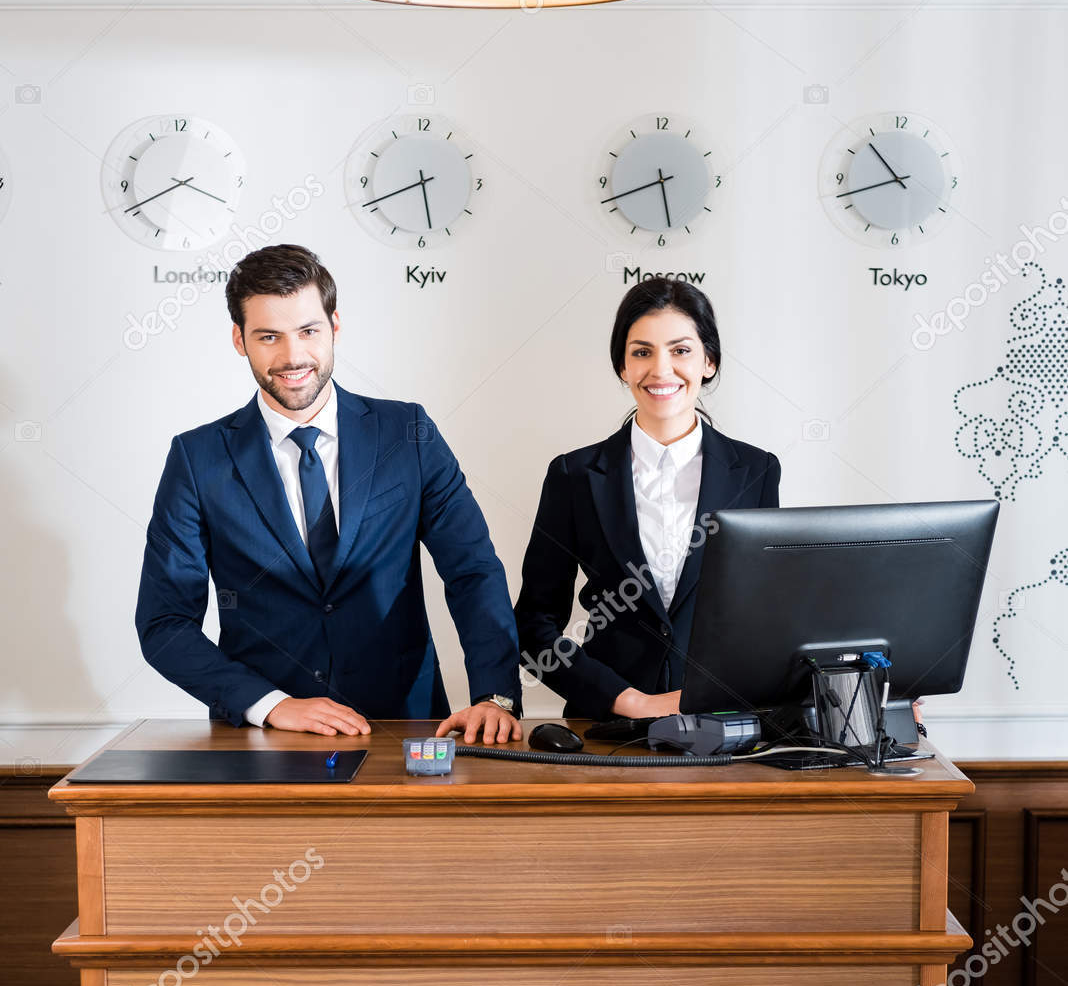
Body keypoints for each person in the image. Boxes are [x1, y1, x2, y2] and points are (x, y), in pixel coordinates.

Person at [136, 244, 521, 743]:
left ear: (334, 326)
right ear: (239, 340)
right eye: (268, 336)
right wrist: (271, 706)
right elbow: (165, 623)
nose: (292, 356)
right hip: (264, 740)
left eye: (308, 331)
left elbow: (472, 570)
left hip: (407, 725)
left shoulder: (408, 433)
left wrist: (494, 695)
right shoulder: (197, 459)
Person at [514, 278, 780, 719]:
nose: (660, 370)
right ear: (623, 366)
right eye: (642, 352)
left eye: (680, 351)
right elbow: (533, 625)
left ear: (708, 362)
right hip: (606, 724)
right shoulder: (574, 475)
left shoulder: (756, 471)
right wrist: (630, 701)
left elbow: (770, 612)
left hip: (721, 722)